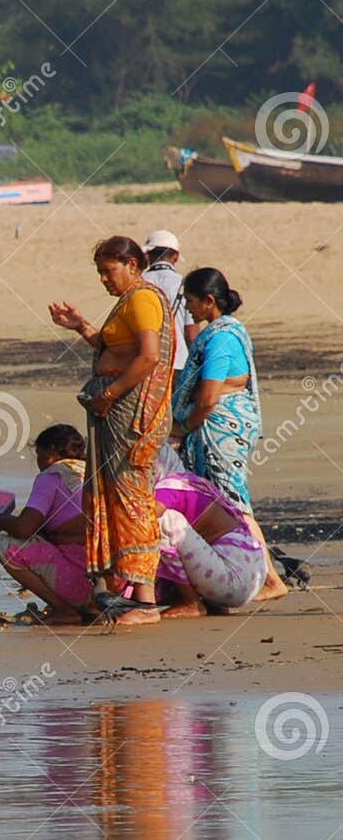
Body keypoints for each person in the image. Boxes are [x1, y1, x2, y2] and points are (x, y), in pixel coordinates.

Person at [49, 236, 173, 626]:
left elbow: (149, 356)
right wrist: (81, 326)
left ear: (132, 265)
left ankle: (146, 602)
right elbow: (114, 351)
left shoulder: (143, 298)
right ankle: (118, 594)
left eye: (108, 270)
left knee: (131, 499)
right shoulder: (129, 300)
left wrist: (110, 394)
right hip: (114, 413)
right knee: (113, 498)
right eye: (99, 272)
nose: (103, 278)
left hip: (130, 416)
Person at [0, 424, 94, 624]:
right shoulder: (91, 472)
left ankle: (64, 609)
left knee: (9, 548)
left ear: (50, 453)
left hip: (82, 588)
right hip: (111, 590)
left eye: (38, 454)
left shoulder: (52, 476)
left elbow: (24, 528)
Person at [172, 267, 260, 507]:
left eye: (190, 301)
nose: (187, 308)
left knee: (229, 502)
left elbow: (208, 399)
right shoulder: (224, 331)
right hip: (218, 424)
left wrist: (183, 428)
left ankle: (247, 534)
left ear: (209, 301)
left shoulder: (220, 339)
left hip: (220, 429)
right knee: (216, 505)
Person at [151, 464, 278, 616]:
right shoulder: (186, 482)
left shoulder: (166, 490)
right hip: (248, 575)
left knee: (162, 522)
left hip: (233, 578)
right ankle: (210, 602)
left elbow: (143, 520)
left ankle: (191, 602)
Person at [142, 229, 192, 371]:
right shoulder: (185, 284)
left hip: (145, 363)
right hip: (179, 363)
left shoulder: (138, 282)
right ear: (176, 256)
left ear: (147, 255)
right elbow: (191, 333)